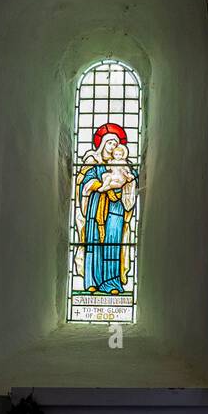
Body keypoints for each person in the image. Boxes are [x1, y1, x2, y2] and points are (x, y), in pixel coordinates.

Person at [78, 123, 138, 295]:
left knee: (113, 239)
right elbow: (84, 182)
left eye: (115, 144)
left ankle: (111, 282)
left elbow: (130, 179)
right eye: (110, 143)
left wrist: (126, 182)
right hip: (96, 204)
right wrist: (100, 186)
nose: (112, 147)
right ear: (103, 143)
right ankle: (92, 280)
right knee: (94, 240)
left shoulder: (122, 163)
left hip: (116, 205)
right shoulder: (93, 160)